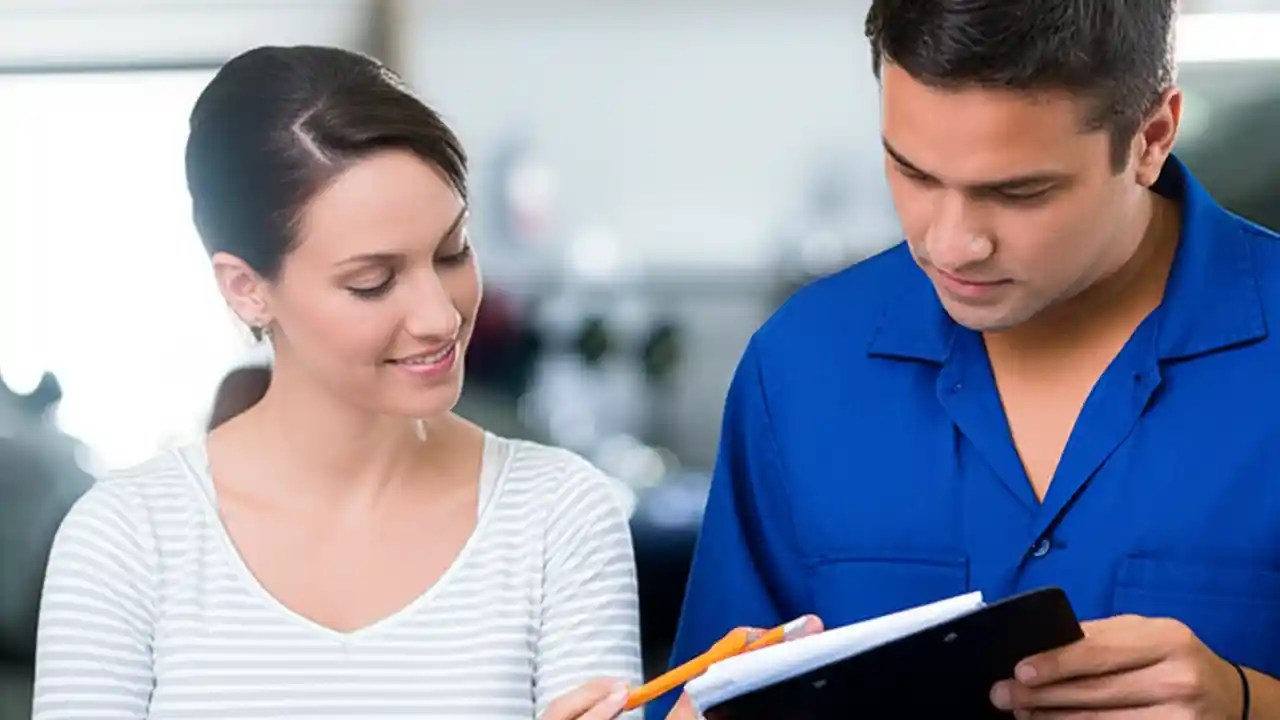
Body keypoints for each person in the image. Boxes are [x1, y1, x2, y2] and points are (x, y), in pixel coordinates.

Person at [659, 1, 1280, 718]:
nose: (951, 245)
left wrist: (1249, 703)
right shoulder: (799, 369)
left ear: (1151, 137)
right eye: (913, 174)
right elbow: (708, 694)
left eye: (1017, 193)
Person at [32, 45, 643, 720]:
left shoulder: (560, 516)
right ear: (247, 290)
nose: (441, 316)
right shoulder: (126, 540)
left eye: (453, 252)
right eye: (372, 282)